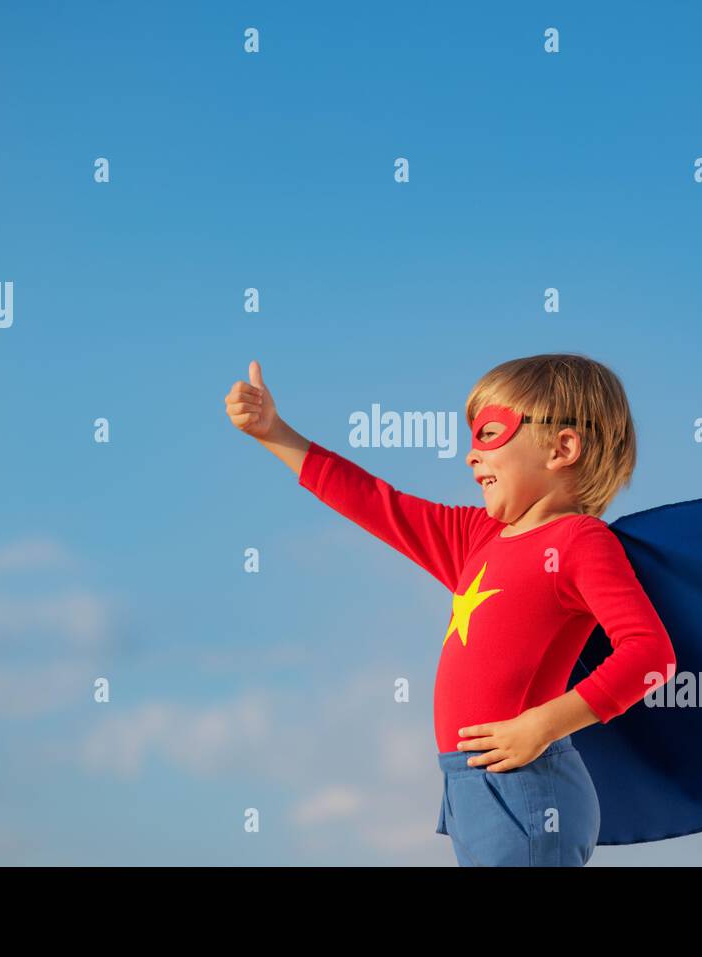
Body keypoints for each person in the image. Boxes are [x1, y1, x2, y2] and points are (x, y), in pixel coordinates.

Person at [224, 353, 676, 866]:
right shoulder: (476, 537)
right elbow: (374, 501)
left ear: (562, 446)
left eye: (489, 433)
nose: (470, 455)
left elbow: (650, 654)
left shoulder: (579, 541)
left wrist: (542, 726)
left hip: (526, 787)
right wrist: (273, 431)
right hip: (468, 787)